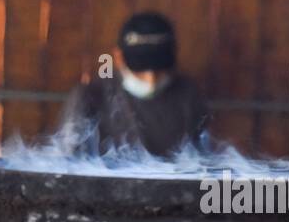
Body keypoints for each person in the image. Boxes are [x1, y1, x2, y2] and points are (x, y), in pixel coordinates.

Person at [57, 11, 210, 158]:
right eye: (139, 69)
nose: (151, 79)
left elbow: (199, 158)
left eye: (159, 69)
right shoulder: (90, 97)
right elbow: (70, 164)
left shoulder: (188, 94)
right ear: (118, 58)